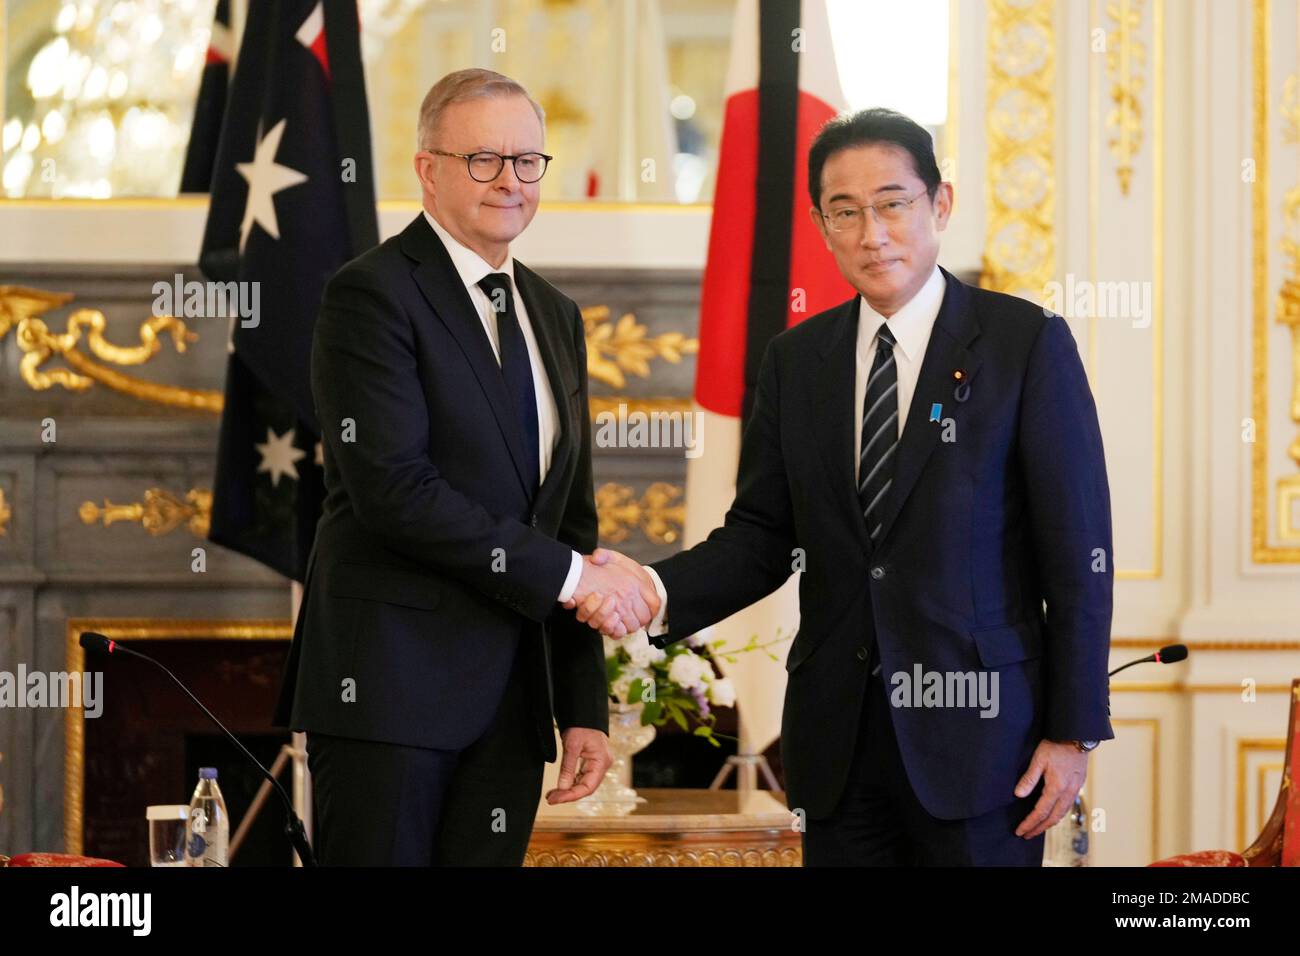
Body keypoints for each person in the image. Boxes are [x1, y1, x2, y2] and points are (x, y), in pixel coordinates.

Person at [572, 108, 1114, 866]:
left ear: (940, 204)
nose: (873, 232)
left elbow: (1078, 551)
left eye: (893, 203)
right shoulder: (798, 360)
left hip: (985, 745)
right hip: (837, 749)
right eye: (846, 211)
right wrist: (651, 591)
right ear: (821, 224)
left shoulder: (1025, 345)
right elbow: (761, 535)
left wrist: (1073, 730)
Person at [272, 68, 657, 866]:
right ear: (428, 168)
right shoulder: (369, 294)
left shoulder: (555, 315)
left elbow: (570, 521)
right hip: (387, 695)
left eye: (527, 161)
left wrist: (582, 703)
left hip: (511, 709)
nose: (509, 180)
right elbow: (394, 491)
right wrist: (576, 579)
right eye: (483, 159)